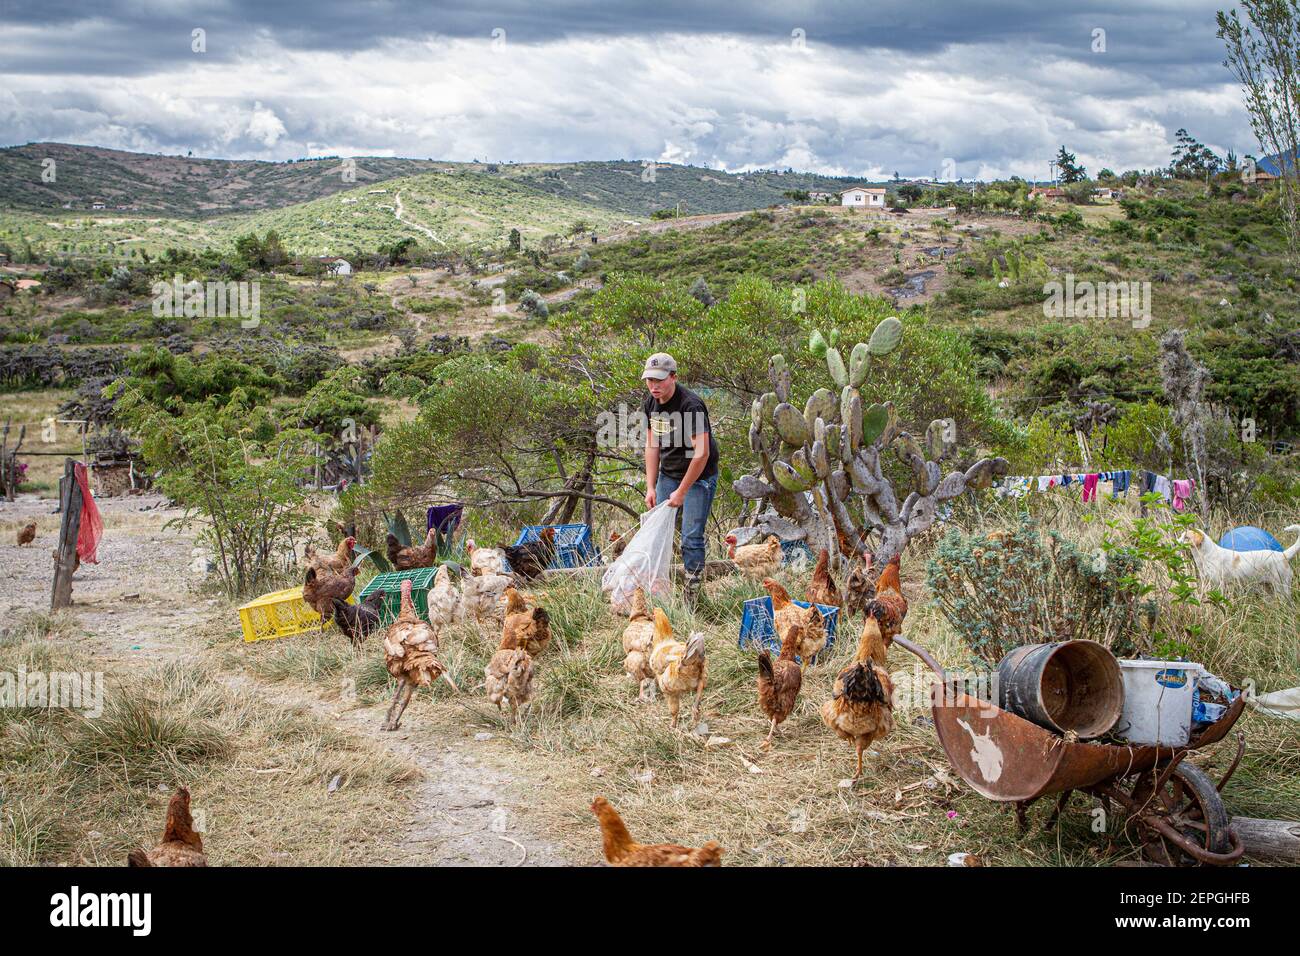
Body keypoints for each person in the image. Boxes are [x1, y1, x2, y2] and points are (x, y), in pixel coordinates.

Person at [641, 352, 719, 607]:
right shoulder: (651, 404)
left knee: (690, 536)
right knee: (657, 529)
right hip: (670, 473)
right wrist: (651, 485)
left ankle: (693, 597)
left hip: (699, 476)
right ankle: (656, 590)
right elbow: (652, 446)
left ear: (673, 377)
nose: (654, 386)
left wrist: (683, 491)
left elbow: (702, 453)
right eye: (650, 380)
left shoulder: (690, 405)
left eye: (660, 380)